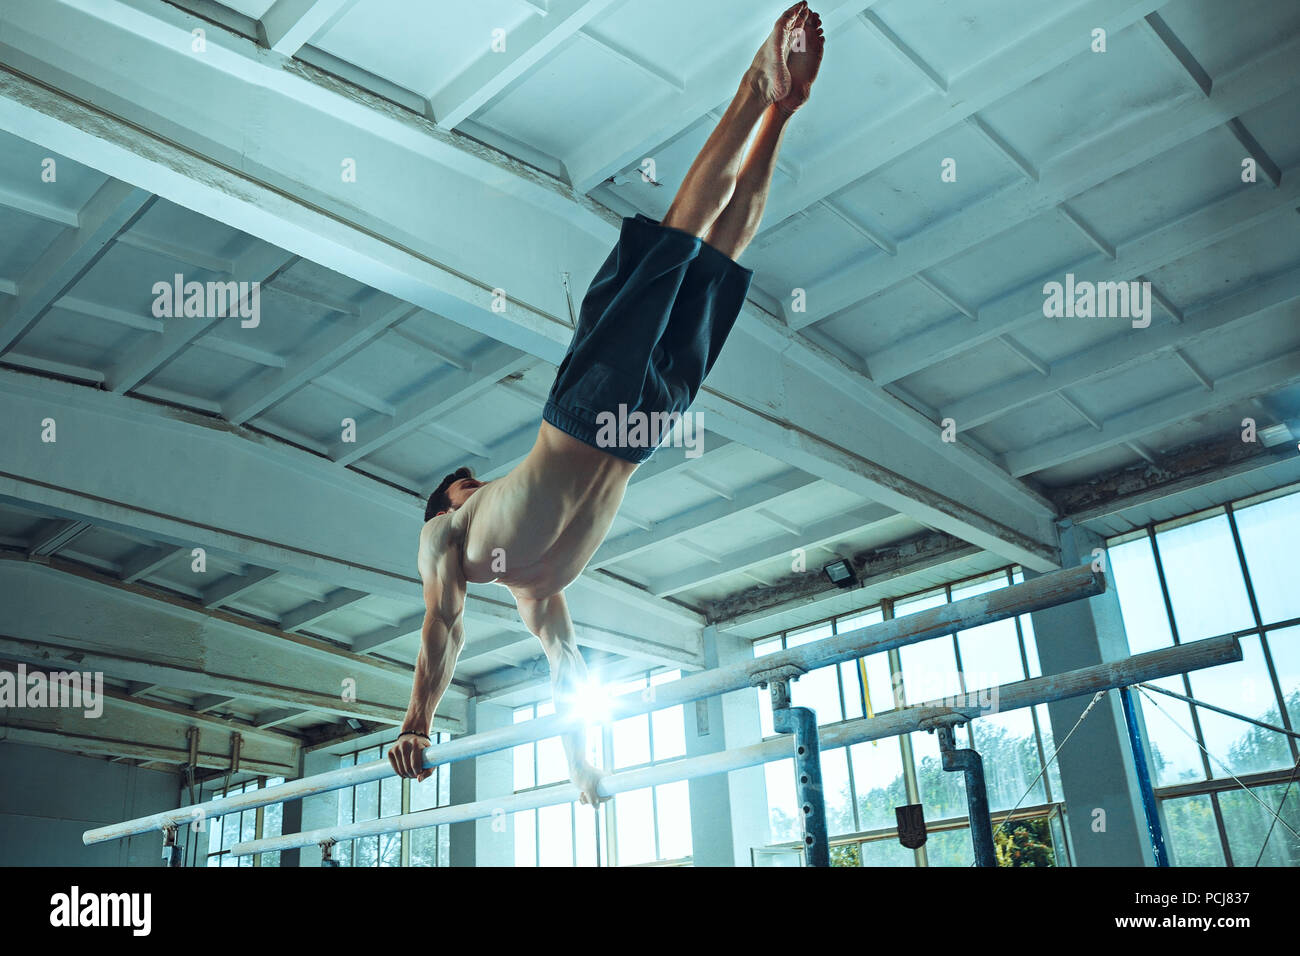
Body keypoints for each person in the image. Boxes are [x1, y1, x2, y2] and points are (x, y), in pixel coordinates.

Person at [388, 3, 825, 806]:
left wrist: (418, 719)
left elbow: (440, 632)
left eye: (467, 481)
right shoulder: (536, 595)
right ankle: (783, 114)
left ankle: (751, 89)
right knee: (719, 256)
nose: (472, 480)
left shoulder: (446, 536)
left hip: (585, 407)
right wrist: (586, 767)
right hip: (642, 427)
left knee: (682, 239)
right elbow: (570, 678)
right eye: (464, 478)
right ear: (454, 489)